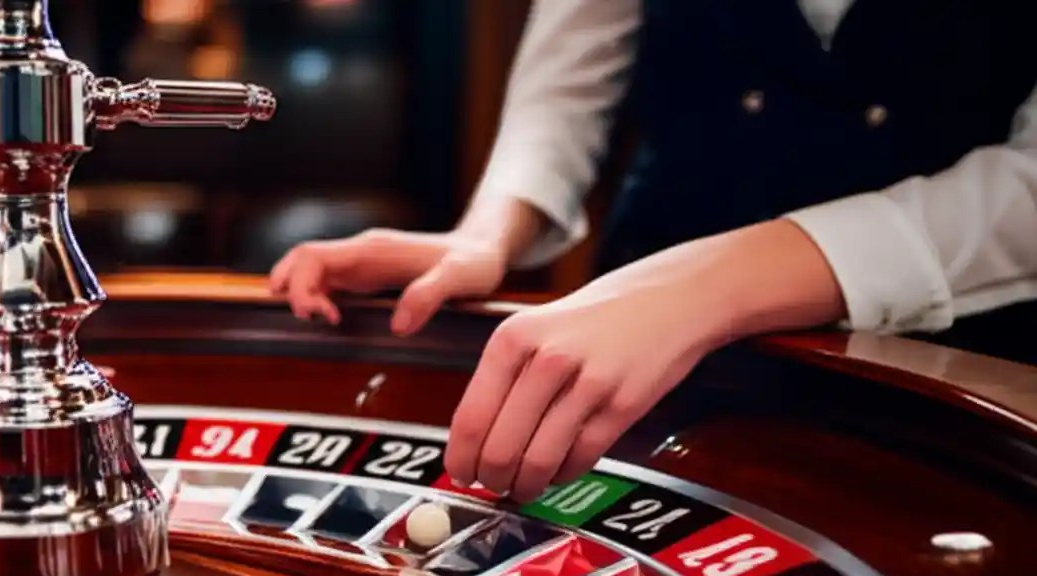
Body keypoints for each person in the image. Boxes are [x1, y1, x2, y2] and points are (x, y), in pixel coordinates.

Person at [269, 0, 1037, 502]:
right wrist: (486, 235)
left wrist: (701, 289)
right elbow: (571, 82)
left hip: (940, 375)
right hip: (643, 340)